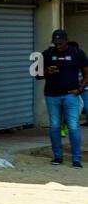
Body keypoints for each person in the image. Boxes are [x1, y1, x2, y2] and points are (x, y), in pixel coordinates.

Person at [37, 28, 87, 167]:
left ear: (66, 41)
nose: (58, 46)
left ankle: (76, 159)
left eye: (60, 43)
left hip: (71, 95)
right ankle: (57, 157)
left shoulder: (77, 52)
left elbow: (86, 73)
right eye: (55, 43)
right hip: (52, 96)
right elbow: (37, 75)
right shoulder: (47, 54)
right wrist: (47, 71)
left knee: (73, 126)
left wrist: (80, 89)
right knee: (54, 126)